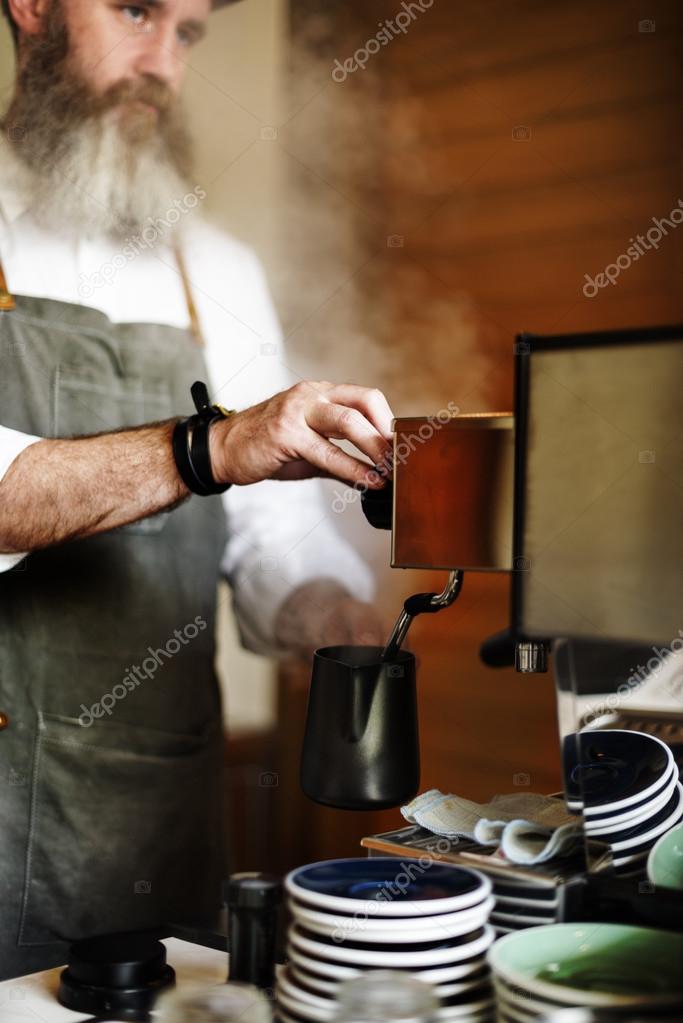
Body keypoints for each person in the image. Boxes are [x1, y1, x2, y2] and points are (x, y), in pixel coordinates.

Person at [0, 0, 393, 979]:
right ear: (33, 6)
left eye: (188, 32)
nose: (162, 64)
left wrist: (327, 610)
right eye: (136, 11)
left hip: (155, 821)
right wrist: (205, 446)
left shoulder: (216, 271)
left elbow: (271, 541)